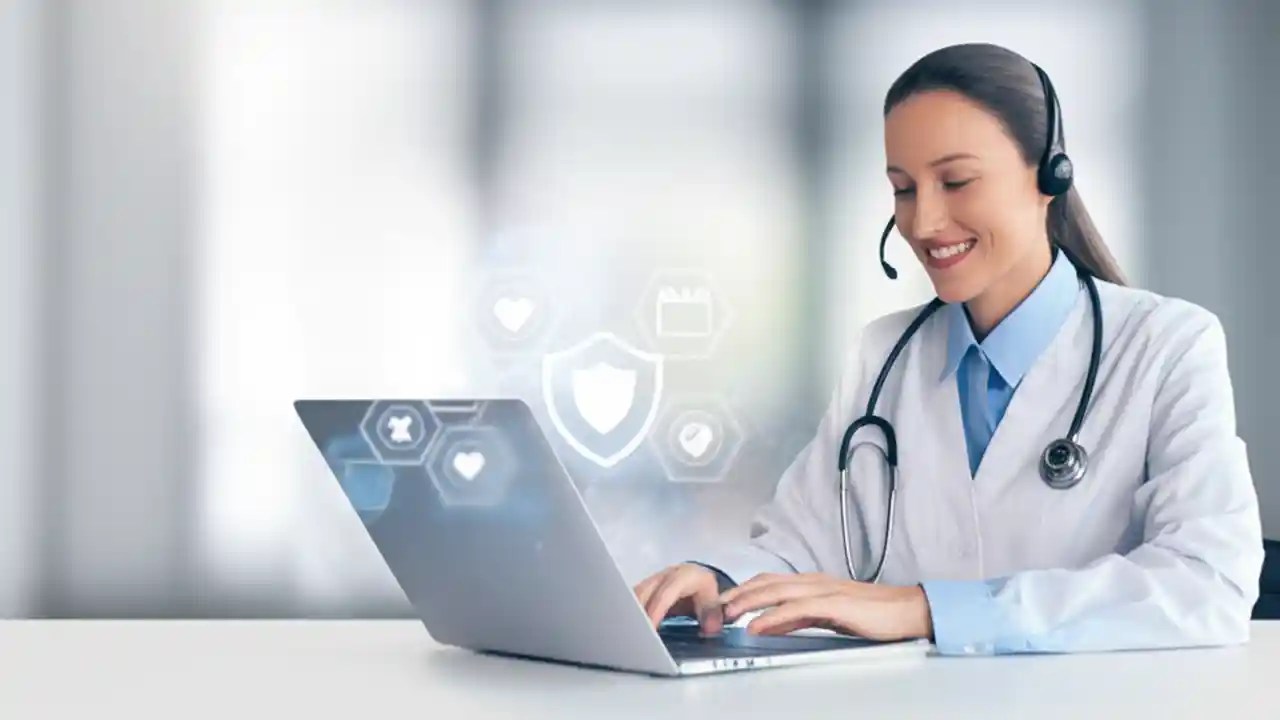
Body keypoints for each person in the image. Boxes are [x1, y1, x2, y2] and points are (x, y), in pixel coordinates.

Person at [632, 42, 1264, 656]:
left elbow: (1206, 584)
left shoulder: (1167, 346)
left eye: (956, 181)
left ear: (1050, 177)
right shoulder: (883, 354)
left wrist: (928, 608)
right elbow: (802, 544)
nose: (924, 222)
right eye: (904, 189)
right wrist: (718, 579)